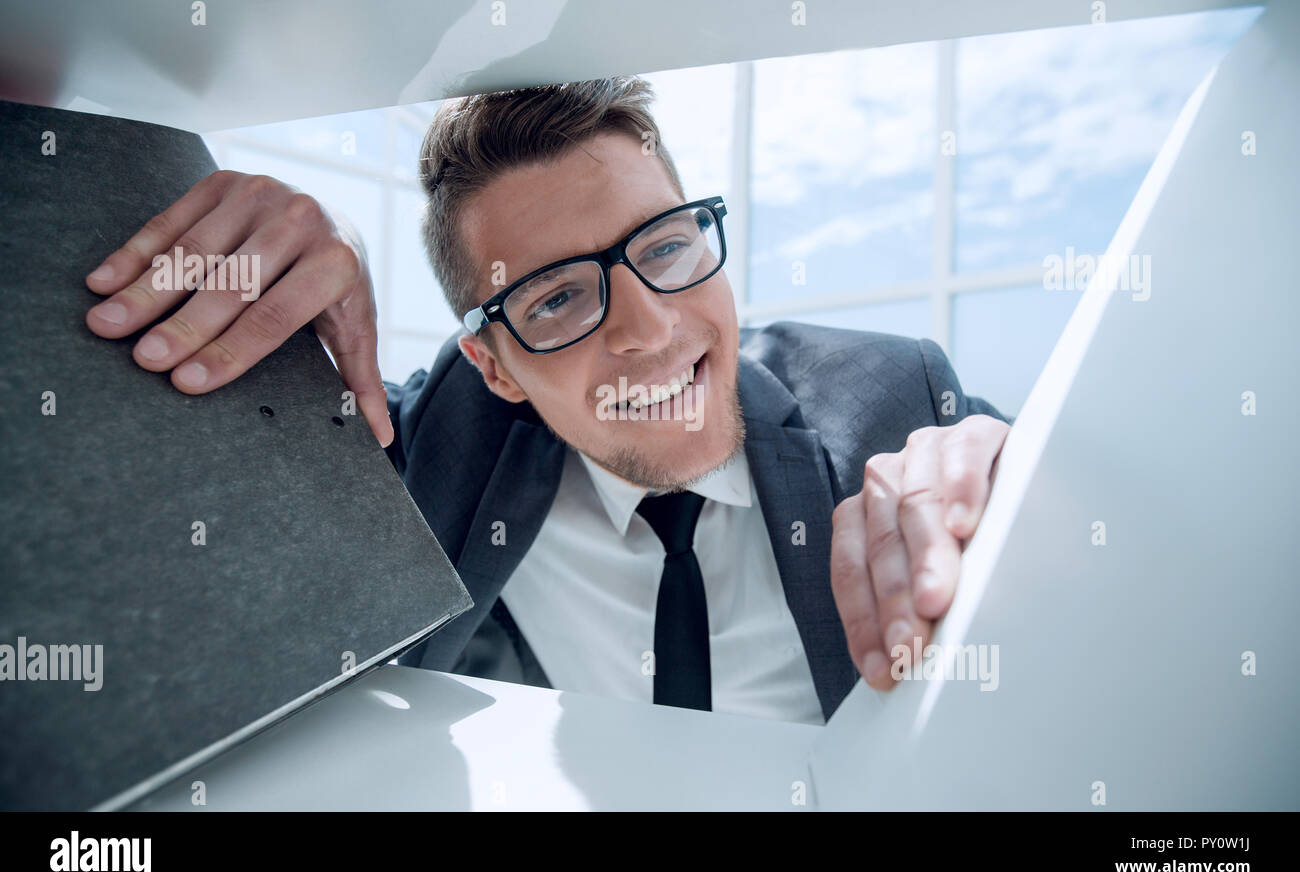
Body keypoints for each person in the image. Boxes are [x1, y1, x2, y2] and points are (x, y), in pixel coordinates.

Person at [82, 76, 1012, 725]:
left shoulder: (893, 397)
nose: (648, 327)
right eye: (560, 297)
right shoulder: (440, 452)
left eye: (664, 246)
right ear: (493, 366)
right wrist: (319, 244)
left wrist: (1019, 481)